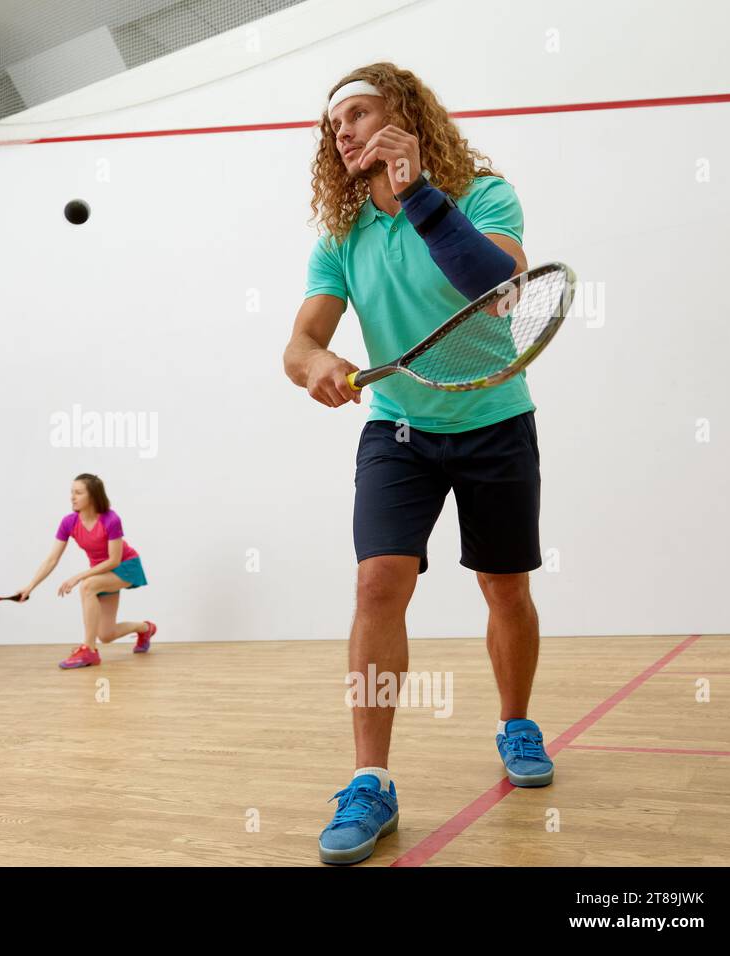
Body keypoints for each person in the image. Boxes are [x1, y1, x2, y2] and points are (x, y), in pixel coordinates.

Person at [283, 62, 555, 865]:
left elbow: (500, 289)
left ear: (404, 114)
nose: (342, 132)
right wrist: (318, 364)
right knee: (378, 582)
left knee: (505, 587)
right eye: (334, 124)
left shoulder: (481, 195)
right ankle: (371, 779)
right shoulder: (342, 234)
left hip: (495, 418)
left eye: (358, 114)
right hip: (398, 427)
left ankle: (516, 723)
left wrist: (421, 197)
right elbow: (298, 343)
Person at [18, 474, 156, 669]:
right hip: (101, 572)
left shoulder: (111, 519)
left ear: (92, 496)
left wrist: (79, 576)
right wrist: (30, 586)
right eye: (71, 492)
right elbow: (52, 559)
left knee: (87, 586)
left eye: (78, 492)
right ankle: (145, 628)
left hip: (127, 566)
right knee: (106, 635)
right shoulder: (69, 522)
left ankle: (89, 649)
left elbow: (114, 560)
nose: (72, 497)